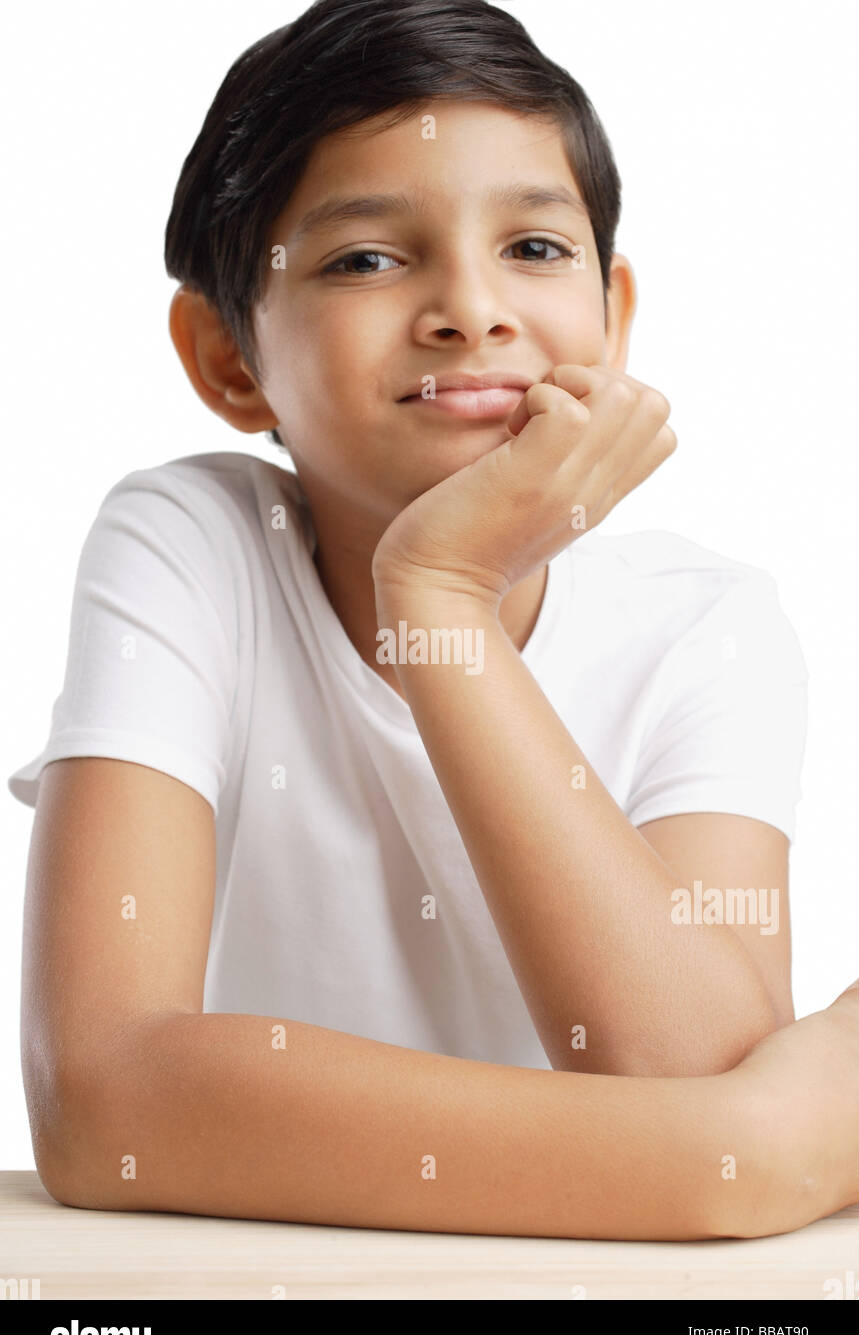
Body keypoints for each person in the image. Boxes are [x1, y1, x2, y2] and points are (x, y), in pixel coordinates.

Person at [9, 0, 859, 1241]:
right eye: (364, 258)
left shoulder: (709, 626)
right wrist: (733, 1152)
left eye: (534, 247)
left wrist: (441, 600)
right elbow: (102, 1101)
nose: (473, 309)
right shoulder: (191, 544)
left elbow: (692, 1065)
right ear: (228, 361)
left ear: (611, 316)